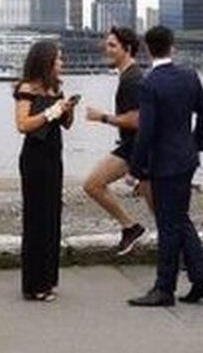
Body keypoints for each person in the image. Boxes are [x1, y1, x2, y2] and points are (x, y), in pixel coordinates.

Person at [128, 25, 203, 307]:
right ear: (172, 46)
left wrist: (135, 168)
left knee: (168, 224)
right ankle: (200, 280)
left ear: (146, 48)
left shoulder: (151, 83)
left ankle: (164, 288)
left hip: (164, 163)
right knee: (179, 218)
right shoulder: (189, 76)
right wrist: (197, 144)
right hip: (186, 158)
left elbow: (146, 130)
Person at [14, 40, 78, 302]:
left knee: (52, 216)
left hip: (54, 154)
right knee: (36, 218)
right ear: (45, 62)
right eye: (58, 59)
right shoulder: (27, 88)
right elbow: (23, 124)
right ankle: (34, 283)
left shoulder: (56, 89)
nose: (61, 64)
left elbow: (67, 125)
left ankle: (48, 278)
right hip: (35, 158)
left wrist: (67, 110)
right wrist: (52, 112)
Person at [83, 26, 153, 256]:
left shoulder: (132, 79)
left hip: (136, 147)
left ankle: (190, 252)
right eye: (107, 44)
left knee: (93, 184)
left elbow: (136, 120)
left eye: (113, 45)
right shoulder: (130, 75)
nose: (108, 49)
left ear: (128, 49)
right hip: (135, 146)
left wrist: (101, 117)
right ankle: (131, 228)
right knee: (160, 208)